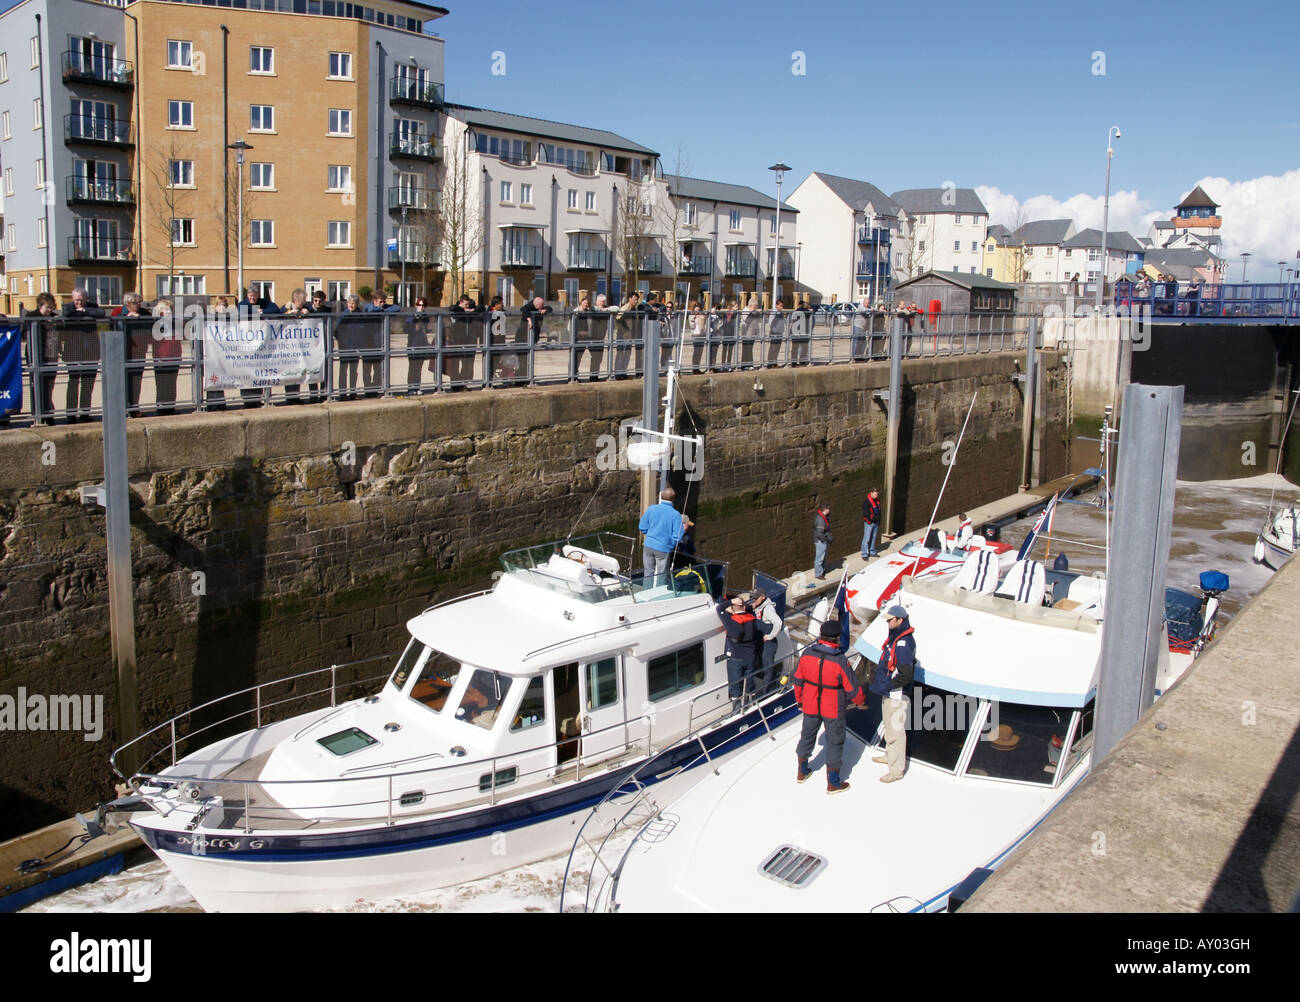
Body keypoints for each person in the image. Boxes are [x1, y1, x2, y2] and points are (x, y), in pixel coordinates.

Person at [794, 619, 865, 793]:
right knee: (834, 742)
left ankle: (802, 772)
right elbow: (853, 689)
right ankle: (833, 782)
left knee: (807, 736)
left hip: (810, 704)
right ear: (836, 638)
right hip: (832, 707)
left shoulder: (807, 654)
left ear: (821, 635)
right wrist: (861, 702)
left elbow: (797, 681)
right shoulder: (840, 660)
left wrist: (800, 701)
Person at [871, 605, 917, 783]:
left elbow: (905, 674)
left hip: (896, 693)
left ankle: (896, 770)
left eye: (890, 619)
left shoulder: (904, 644)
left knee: (896, 732)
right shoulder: (895, 637)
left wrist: (889, 685)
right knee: (889, 727)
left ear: (900, 620)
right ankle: (890, 755)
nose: (887, 622)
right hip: (889, 691)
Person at [716, 592, 768, 713]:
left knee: (735, 684)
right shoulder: (752, 620)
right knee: (749, 680)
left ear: (733, 610)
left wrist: (731, 602)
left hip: (735, 659)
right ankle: (753, 701)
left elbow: (719, 608)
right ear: (744, 608)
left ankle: (737, 709)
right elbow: (748, 610)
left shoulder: (729, 621)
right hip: (750, 657)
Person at [61, 286, 106, 422]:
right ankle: (71, 414)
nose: (78, 303)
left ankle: (85, 413)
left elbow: (101, 313)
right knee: (73, 383)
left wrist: (84, 311)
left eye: (81, 300)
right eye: (76, 301)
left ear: (87, 299)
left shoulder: (92, 306)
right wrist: (83, 313)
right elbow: (68, 313)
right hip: (73, 351)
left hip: (91, 351)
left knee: (88, 383)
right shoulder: (68, 307)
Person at [25, 292, 60, 424]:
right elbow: (24, 331)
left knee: (49, 386)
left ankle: (49, 415)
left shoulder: (54, 317)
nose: (50, 310)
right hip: (36, 356)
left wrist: (56, 320)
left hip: (51, 356)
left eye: (52, 307)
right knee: (36, 386)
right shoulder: (32, 316)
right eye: (48, 307)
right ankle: (38, 415)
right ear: (41, 306)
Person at [115, 293, 152, 416]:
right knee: (122, 381)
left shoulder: (145, 313)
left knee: (136, 381)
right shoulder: (118, 312)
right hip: (122, 353)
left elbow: (151, 329)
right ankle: (121, 409)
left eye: (140, 302)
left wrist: (140, 319)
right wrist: (126, 317)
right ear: (128, 304)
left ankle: (134, 408)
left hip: (139, 352)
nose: (139, 305)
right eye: (136, 303)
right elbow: (112, 326)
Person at [639, 487, 684, 579]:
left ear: (661, 497)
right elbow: (678, 535)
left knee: (648, 573)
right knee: (661, 575)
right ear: (673, 499)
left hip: (648, 545)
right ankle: (660, 591)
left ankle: (646, 592)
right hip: (663, 548)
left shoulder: (651, 509)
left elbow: (642, 527)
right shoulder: (675, 514)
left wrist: (651, 535)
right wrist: (671, 544)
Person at [362, 290, 398, 396]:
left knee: (378, 369)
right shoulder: (368, 307)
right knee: (367, 369)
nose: (382, 304)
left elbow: (396, 308)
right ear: (374, 300)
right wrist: (381, 309)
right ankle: (368, 390)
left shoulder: (384, 307)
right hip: (368, 343)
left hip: (380, 343)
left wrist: (383, 308)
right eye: (380, 302)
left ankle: (375, 389)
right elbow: (370, 310)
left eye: (384, 302)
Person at [280, 289, 311, 404]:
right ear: (297, 300)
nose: (304, 303)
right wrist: (288, 312)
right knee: (290, 372)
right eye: (302, 301)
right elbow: (277, 315)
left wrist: (308, 314)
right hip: (287, 347)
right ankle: (290, 397)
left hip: (300, 346)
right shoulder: (285, 308)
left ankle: (296, 396)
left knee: (299, 371)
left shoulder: (305, 308)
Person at [151, 298, 182, 413]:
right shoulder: (156, 323)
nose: (168, 311)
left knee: (172, 383)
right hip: (161, 356)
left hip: (174, 356)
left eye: (169, 309)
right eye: (165, 309)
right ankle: (161, 407)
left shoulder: (175, 322)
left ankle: (170, 407)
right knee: (161, 383)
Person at [751, 589, 783, 695]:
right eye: (752, 598)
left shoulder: (768, 609)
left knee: (767, 666)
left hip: (769, 644)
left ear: (763, 596)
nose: (753, 600)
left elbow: (778, 622)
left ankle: (766, 691)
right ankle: (774, 677)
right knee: (757, 664)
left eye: (755, 598)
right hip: (760, 642)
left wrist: (770, 636)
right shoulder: (758, 606)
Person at [335, 293, 366, 399]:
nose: (351, 305)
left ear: (357, 304)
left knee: (354, 371)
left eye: (353, 303)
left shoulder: (361, 316)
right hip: (344, 347)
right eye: (349, 303)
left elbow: (363, 331)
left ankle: (353, 392)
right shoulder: (343, 316)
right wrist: (342, 342)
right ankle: (342, 393)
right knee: (343, 371)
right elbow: (336, 331)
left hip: (355, 347)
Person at [304, 289, 332, 402]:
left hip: (323, 343)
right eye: (315, 300)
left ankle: (324, 394)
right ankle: (313, 395)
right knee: (313, 369)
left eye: (320, 301)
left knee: (325, 369)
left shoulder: (327, 310)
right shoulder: (307, 308)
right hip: (311, 345)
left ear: (324, 301)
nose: (317, 303)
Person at [571, 295, 603, 380]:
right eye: (584, 303)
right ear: (580, 303)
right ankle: (573, 377)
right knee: (576, 358)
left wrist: (603, 308)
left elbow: (604, 308)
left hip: (590, 338)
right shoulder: (575, 312)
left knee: (596, 356)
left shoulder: (590, 311)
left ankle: (594, 376)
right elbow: (570, 327)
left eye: (587, 303)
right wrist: (579, 333)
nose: (585, 305)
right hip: (579, 338)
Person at [810, 503, 832, 585]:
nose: (830, 511)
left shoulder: (823, 518)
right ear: (826, 510)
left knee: (823, 556)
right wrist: (826, 539)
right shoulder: (820, 520)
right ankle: (818, 574)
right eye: (829, 509)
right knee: (820, 557)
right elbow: (819, 533)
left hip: (822, 540)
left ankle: (822, 570)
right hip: (820, 541)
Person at [861, 488, 881, 559]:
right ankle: (864, 554)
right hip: (869, 523)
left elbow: (879, 512)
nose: (876, 495)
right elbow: (866, 513)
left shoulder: (877, 501)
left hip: (876, 522)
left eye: (877, 494)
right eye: (875, 494)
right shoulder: (866, 502)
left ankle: (872, 551)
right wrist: (869, 521)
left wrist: (878, 521)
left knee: (873, 537)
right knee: (866, 538)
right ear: (871, 493)